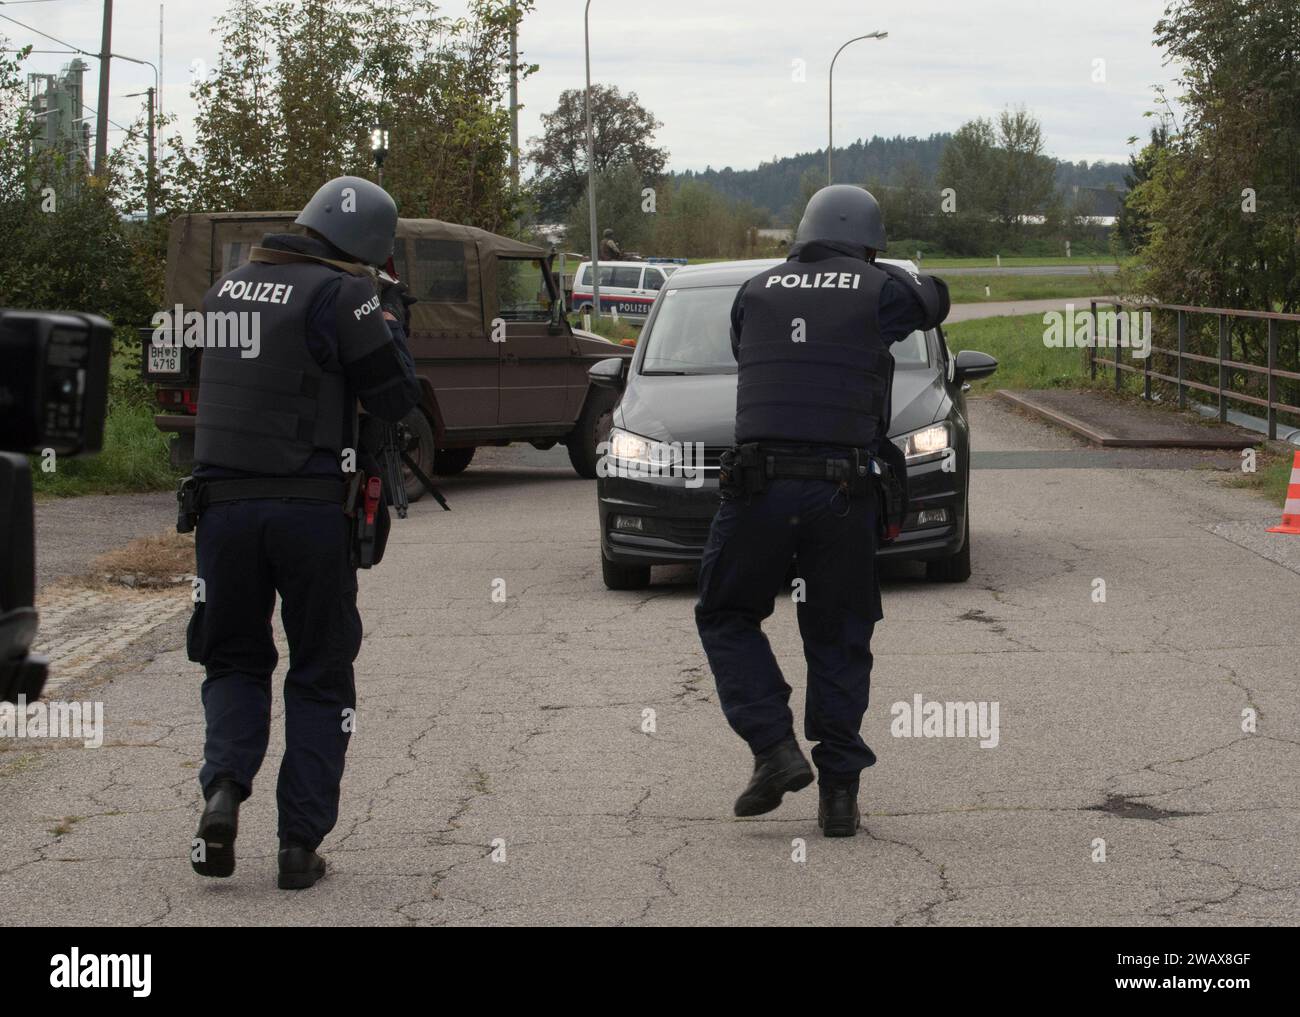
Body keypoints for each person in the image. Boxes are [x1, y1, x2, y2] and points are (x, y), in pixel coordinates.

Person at [186, 175, 420, 887]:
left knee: (232, 658)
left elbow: (203, 378)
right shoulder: (342, 295)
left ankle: (223, 788)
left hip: (220, 511)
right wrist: (390, 319)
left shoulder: (224, 289)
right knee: (319, 672)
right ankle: (298, 845)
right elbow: (396, 396)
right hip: (310, 511)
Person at [695, 184, 949, 837]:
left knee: (727, 613)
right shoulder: (880, 289)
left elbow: (743, 348)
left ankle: (774, 747)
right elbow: (936, 298)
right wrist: (869, 269)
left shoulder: (754, 291)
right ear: (867, 242)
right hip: (842, 492)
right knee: (837, 637)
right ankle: (839, 796)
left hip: (759, 488)